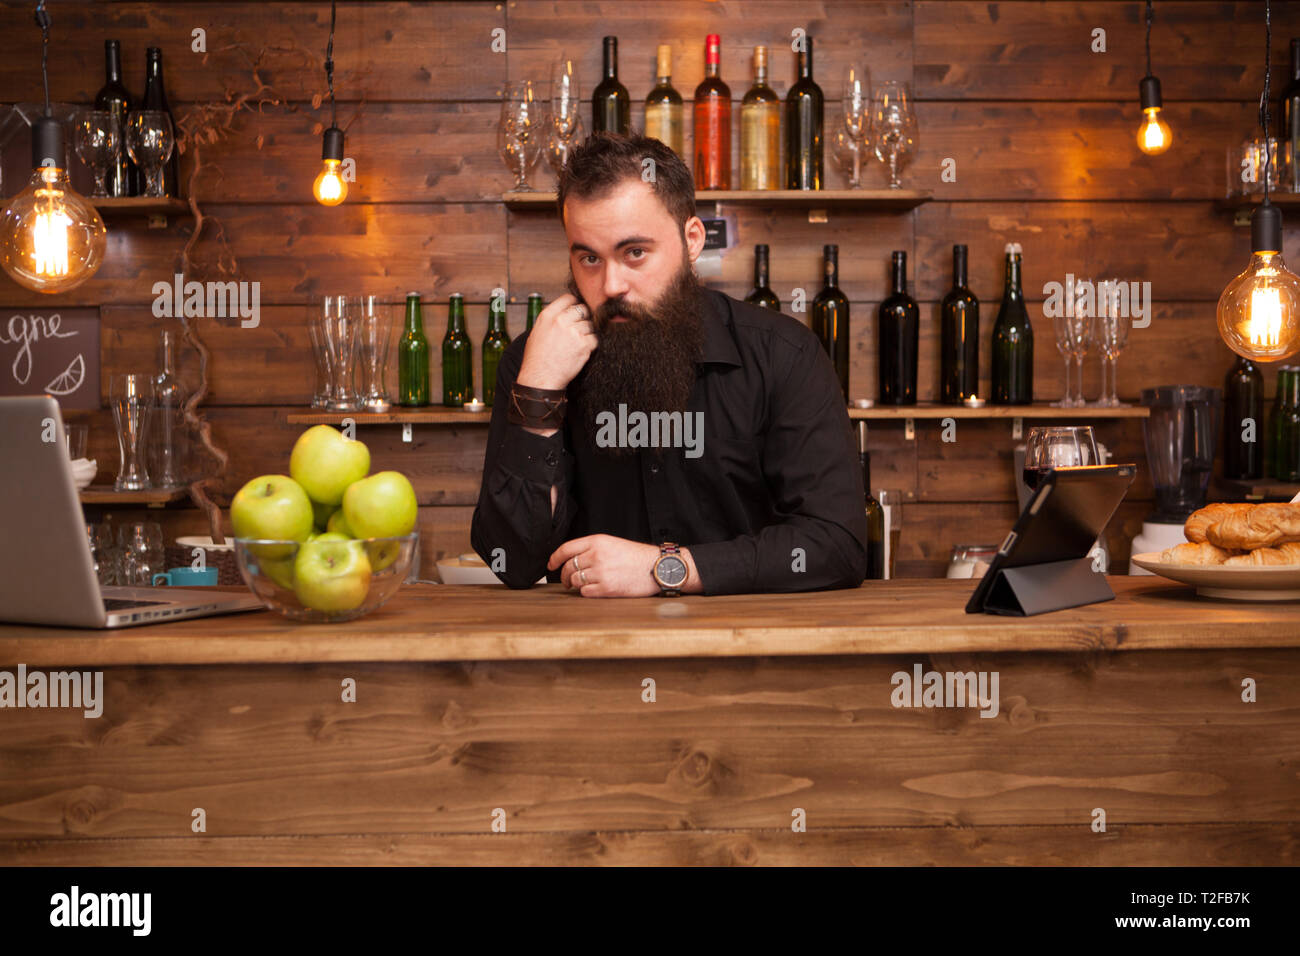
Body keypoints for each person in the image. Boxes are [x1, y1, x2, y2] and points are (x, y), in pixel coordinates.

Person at [470, 132, 867, 596]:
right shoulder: (533, 362)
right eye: (589, 258)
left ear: (692, 239)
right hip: (588, 655)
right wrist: (538, 392)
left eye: (634, 252)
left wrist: (666, 568)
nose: (611, 284)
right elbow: (512, 562)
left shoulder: (783, 354)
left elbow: (836, 545)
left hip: (753, 651)